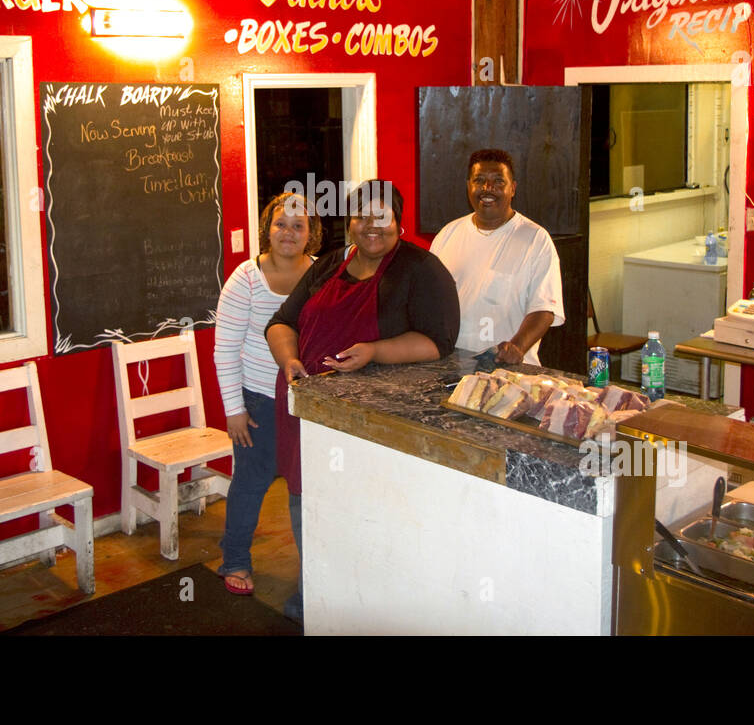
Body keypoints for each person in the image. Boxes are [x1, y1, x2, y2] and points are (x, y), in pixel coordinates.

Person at [266, 179, 459, 622]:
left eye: (382, 216)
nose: (372, 226)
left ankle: (357, 603)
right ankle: (313, 589)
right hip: (309, 406)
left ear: (399, 223)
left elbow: (438, 341)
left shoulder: (421, 269)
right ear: (349, 222)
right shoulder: (331, 264)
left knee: (360, 509)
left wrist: (375, 351)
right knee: (305, 501)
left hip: (371, 419)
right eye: (361, 216)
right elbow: (281, 322)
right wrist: (289, 359)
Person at [214, 192, 321, 597]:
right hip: (258, 401)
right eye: (280, 224)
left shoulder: (321, 275)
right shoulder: (246, 279)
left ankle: (312, 573)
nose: (288, 233)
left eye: (298, 225)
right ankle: (236, 558)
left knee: (303, 487)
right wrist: (234, 409)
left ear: (311, 233)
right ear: (267, 229)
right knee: (251, 482)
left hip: (306, 403)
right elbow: (224, 349)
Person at [430, 149, 564, 365]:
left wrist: (517, 347)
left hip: (510, 371)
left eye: (498, 181)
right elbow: (430, 301)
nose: (487, 188)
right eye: (479, 180)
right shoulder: (447, 235)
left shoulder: (536, 239)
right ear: (468, 187)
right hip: (452, 366)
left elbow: (544, 309)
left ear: (513, 188)